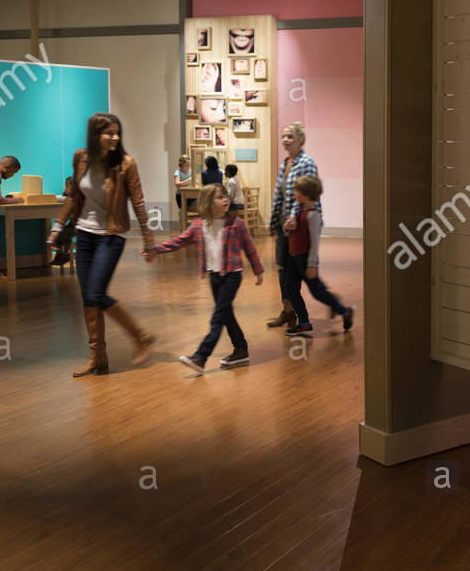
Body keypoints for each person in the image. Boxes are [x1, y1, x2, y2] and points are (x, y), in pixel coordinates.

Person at [48, 113, 156, 377]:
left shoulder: (126, 163)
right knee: (88, 298)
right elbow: (73, 196)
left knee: (96, 293)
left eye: (117, 133)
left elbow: (138, 202)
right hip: (84, 234)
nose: (115, 137)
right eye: (109, 133)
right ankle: (98, 357)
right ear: (95, 135)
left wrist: (149, 239)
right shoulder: (81, 158)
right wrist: (57, 227)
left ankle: (140, 336)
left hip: (112, 234)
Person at [142, 183, 264, 374]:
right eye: (219, 197)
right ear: (207, 203)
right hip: (214, 277)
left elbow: (249, 247)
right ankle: (241, 350)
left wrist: (258, 269)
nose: (225, 200)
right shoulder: (199, 225)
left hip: (232, 275)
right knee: (226, 315)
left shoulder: (236, 224)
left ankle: (201, 357)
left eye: (225, 196)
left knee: (217, 318)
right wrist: (155, 249)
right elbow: (178, 241)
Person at [282, 175, 354, 337]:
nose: (294, 193)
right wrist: (287, 227)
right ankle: (305, 323)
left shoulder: (313, 215)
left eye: (297, 191)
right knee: (291, 290)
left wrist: (312, 264)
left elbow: (314, 242)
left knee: (317, 292)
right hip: (293, 257)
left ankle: (345, 312)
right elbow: (292, 232)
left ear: (305, 194)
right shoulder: (300, 210)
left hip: (305, 259)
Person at [266, 122, 319, 329]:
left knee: (297, 272)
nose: (285, 140)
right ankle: (288, 312)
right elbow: (279, 196)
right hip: (283, 226)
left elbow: (307, 195)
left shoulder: (307, 163)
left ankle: (333, 309)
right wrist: (273, 223)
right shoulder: (284, 164)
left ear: (300, 140)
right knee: (282, 268)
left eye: (290, 137)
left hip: (297, 227)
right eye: (283, 136)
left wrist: (295, 218)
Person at [48, 176, 77, 267]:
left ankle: (64, 254)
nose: (65, 188)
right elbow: (58, 198)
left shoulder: (75, 198)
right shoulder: (67, 197)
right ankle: (60, 254)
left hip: (77, 226)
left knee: (64, 233)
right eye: (66, 186)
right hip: (72, 224)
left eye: (67, 186)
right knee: (61, 231)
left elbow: (63, 199)